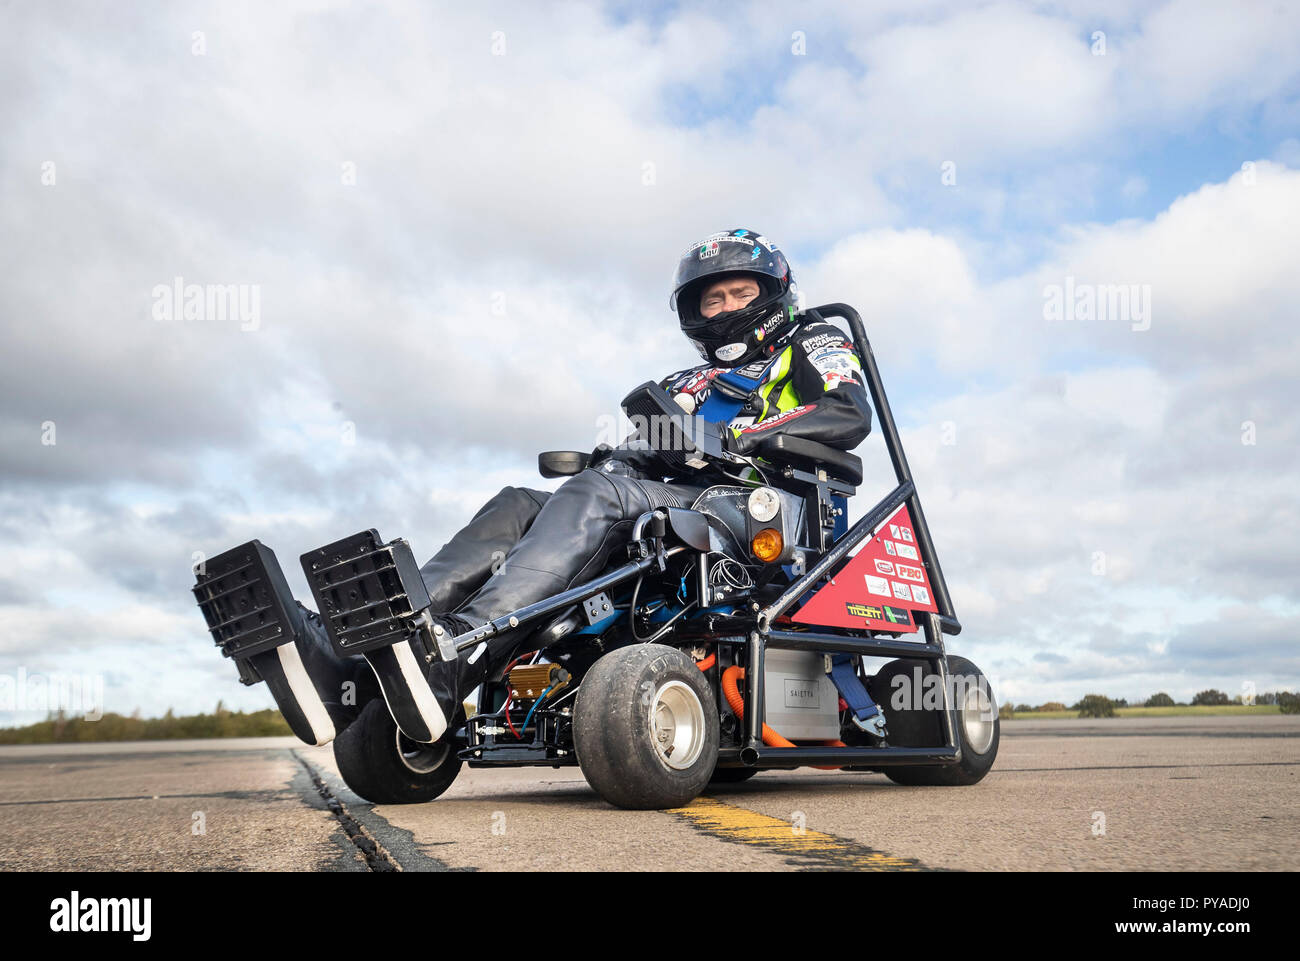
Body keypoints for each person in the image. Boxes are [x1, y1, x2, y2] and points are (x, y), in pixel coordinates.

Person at [230, 229, 873, 746]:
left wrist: (742, 438)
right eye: (713, 299)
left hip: (769, 509)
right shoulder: (682, 383)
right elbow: (646, 454)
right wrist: (620, 454)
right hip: (679, 501)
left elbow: (847, 412)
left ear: (773, 292)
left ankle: (455, 652)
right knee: (521, 502)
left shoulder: (815, 341)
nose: (726, 307)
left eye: (739, 292)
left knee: (597, 496)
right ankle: (369, 662)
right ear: (693, 314)